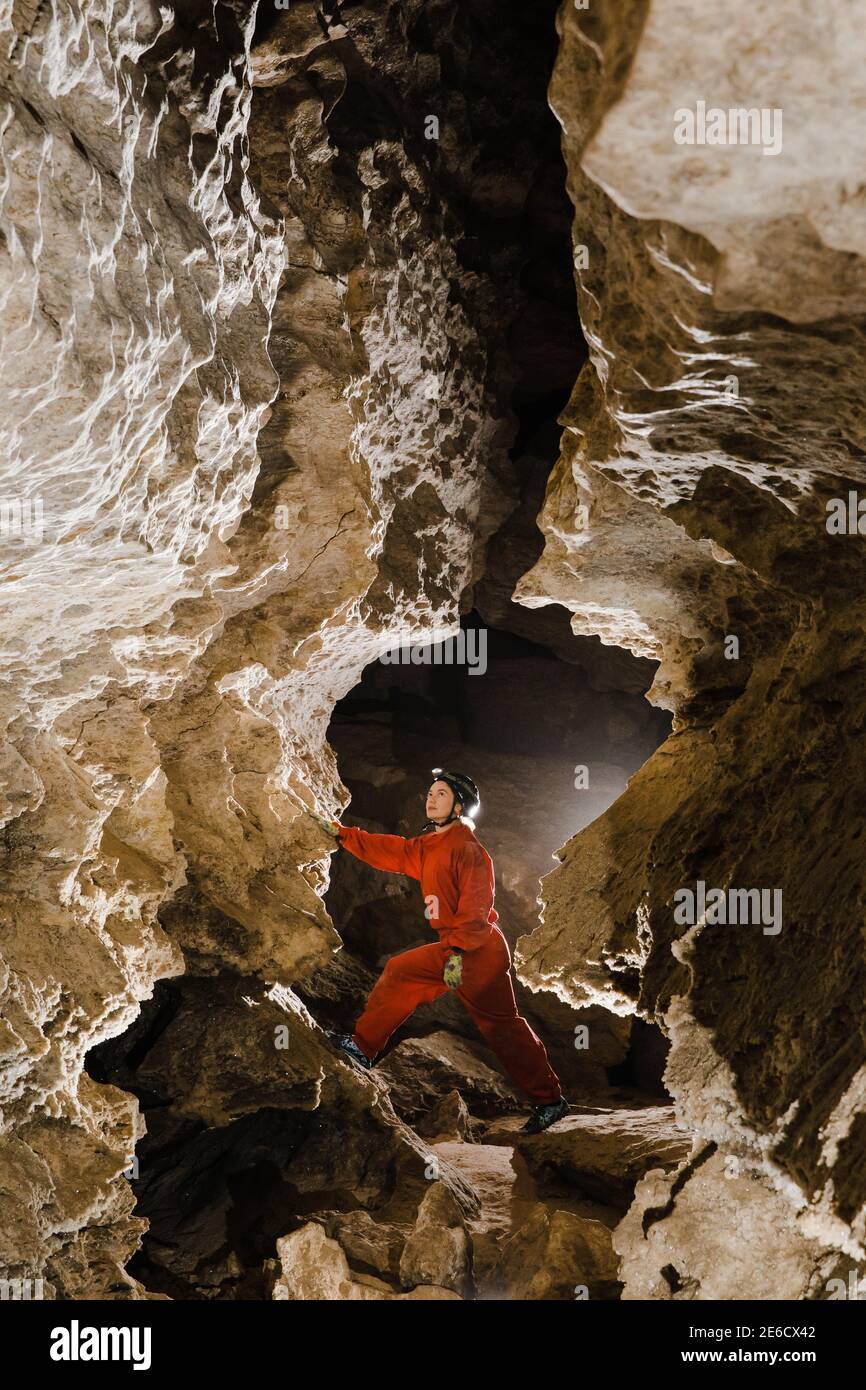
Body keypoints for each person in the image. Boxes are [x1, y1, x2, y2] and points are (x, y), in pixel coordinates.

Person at [309, 767, 568, 1134]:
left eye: (442, 793)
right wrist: (344, 835)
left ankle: (550, 1101)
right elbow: (392, 851)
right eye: (431, 792)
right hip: (457, 948)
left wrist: (457, 955)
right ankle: (362, 1048)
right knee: (408, 975)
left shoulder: (467, 850)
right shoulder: (428, 846)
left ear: (460, 808)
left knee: (500, 1026)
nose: (431, 798)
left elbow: (476, 907)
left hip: (476, 952)